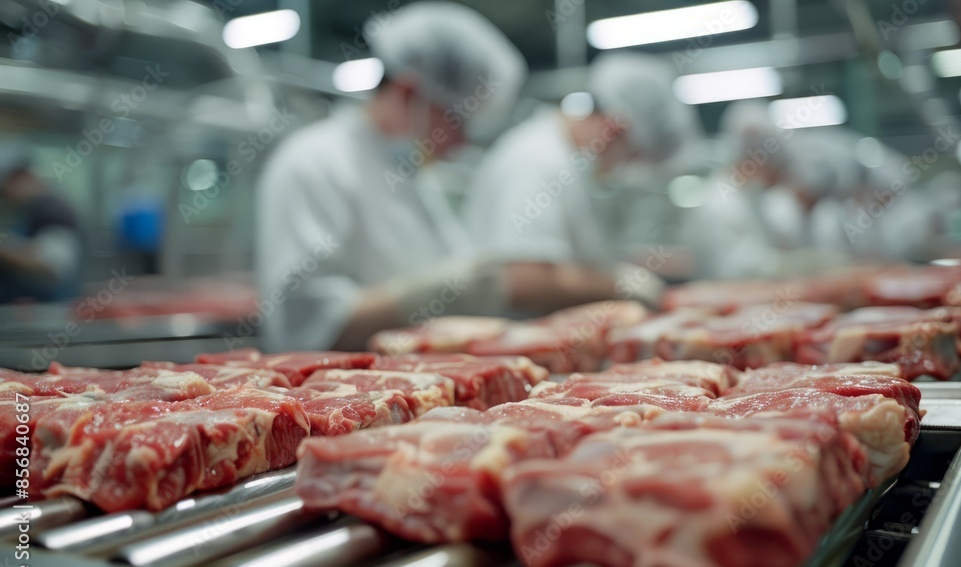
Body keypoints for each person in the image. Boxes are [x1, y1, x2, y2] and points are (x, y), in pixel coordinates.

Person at [257, 3, 527, 352]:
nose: (462, 142)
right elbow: (301, 326)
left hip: (413, 386)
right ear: (408, 91)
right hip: (339, 399)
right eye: (457, 120)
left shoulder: (411, 171)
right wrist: (418, 297)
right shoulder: (311, 162)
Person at [462, 52, 694, 315]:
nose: (621, 170)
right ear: (615, 129)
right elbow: (524, 281)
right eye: (631, 157)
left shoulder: (566, 161)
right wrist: (616, 284)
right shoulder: (536, 159)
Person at [681, 100, 960, 278]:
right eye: (775, 170)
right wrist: (803, 265)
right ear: (753, 161)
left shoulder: (755, 200)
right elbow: (738, 270)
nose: (778, 181)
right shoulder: (719, 204)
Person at [0, 144, 83, 303]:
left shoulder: (52, 210)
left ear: (20, 177)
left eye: (4, 191)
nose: (6, 198)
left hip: (49, 310)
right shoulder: (29, 211)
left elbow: (53, 264)